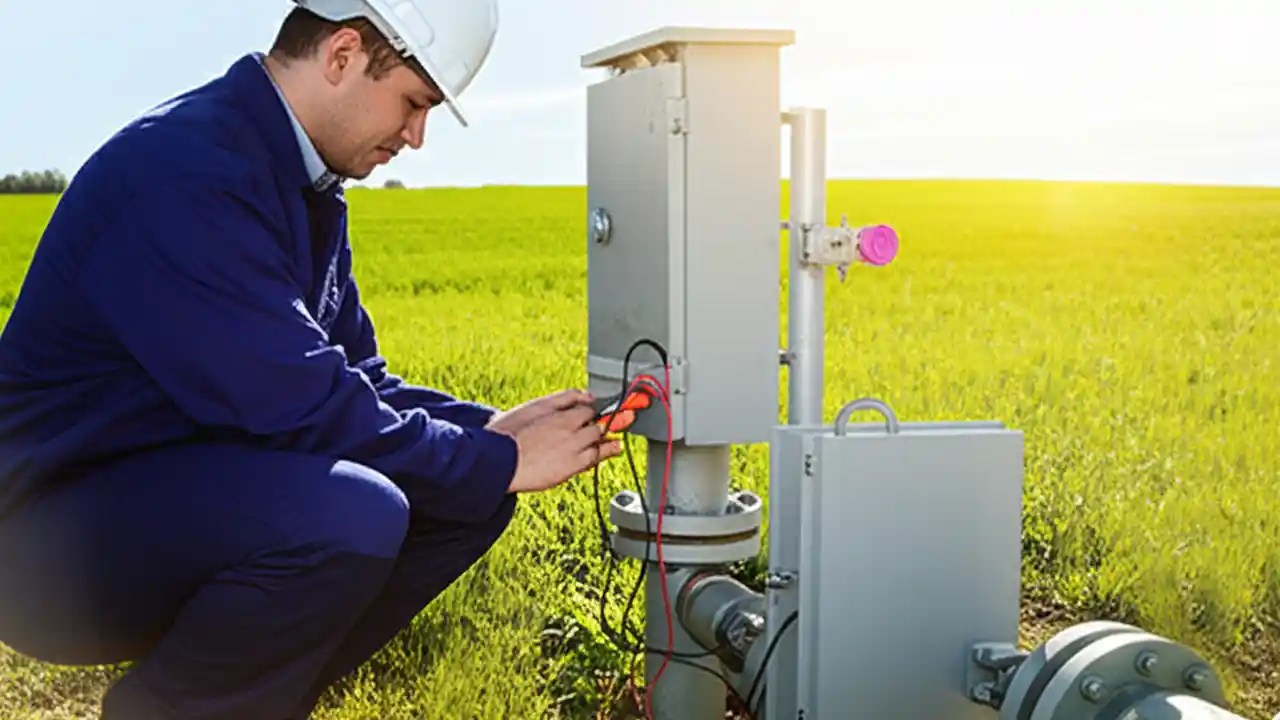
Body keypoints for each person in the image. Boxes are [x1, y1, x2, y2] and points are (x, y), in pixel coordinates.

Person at [0, 2, 627, 718]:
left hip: (156, 489)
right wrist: (496, 457)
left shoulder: (300, 182)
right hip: (43, 542)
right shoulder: (183, 175)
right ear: (342, 54)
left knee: (470, 492)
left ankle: (249, 703)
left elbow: (359, 381)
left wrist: (491, 434)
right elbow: (300, 406)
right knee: (355, 513)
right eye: (414, 103)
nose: (416, 138)